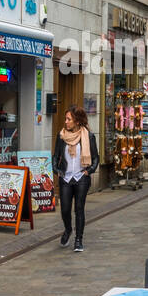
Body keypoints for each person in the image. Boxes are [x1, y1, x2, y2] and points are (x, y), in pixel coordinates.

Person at [52, 106, 99, 252]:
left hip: (81, 178)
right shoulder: (61, 136)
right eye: (66, 119)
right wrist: (57, 170)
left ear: (77, 121)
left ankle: (79, 240)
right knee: (65, 209)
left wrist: (89, 171)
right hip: (65, 178)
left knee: (79, 209)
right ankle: (68, 230)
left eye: (69, 119)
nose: (66, 122)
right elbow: (55, 157)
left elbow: (96, 158)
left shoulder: (88, 136)